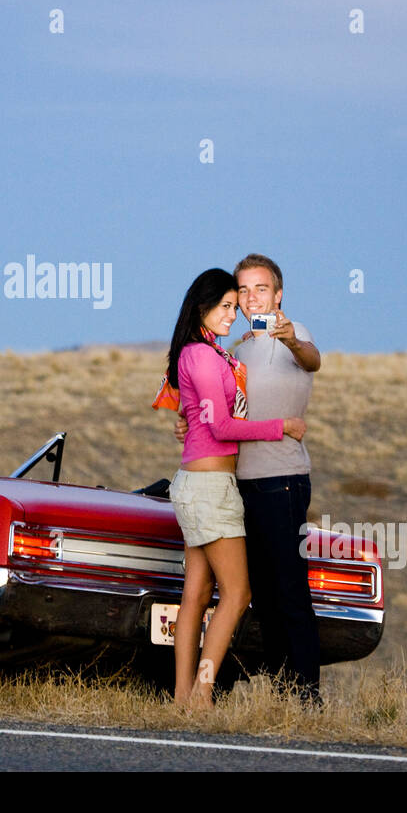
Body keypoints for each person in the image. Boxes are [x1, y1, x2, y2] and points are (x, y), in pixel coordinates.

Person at [155, 268, 306, 707]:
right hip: (209, 487)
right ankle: (201, 693)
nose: (232, 315)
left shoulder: (208, 352)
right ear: (202, 307)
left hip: (202, 483)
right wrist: (284, 427)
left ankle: (183, 696)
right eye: (224, 307)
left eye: (233, 308)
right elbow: (221, 425)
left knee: (198, 594)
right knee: (237, 592)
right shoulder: (201, 356)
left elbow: (202, 417)